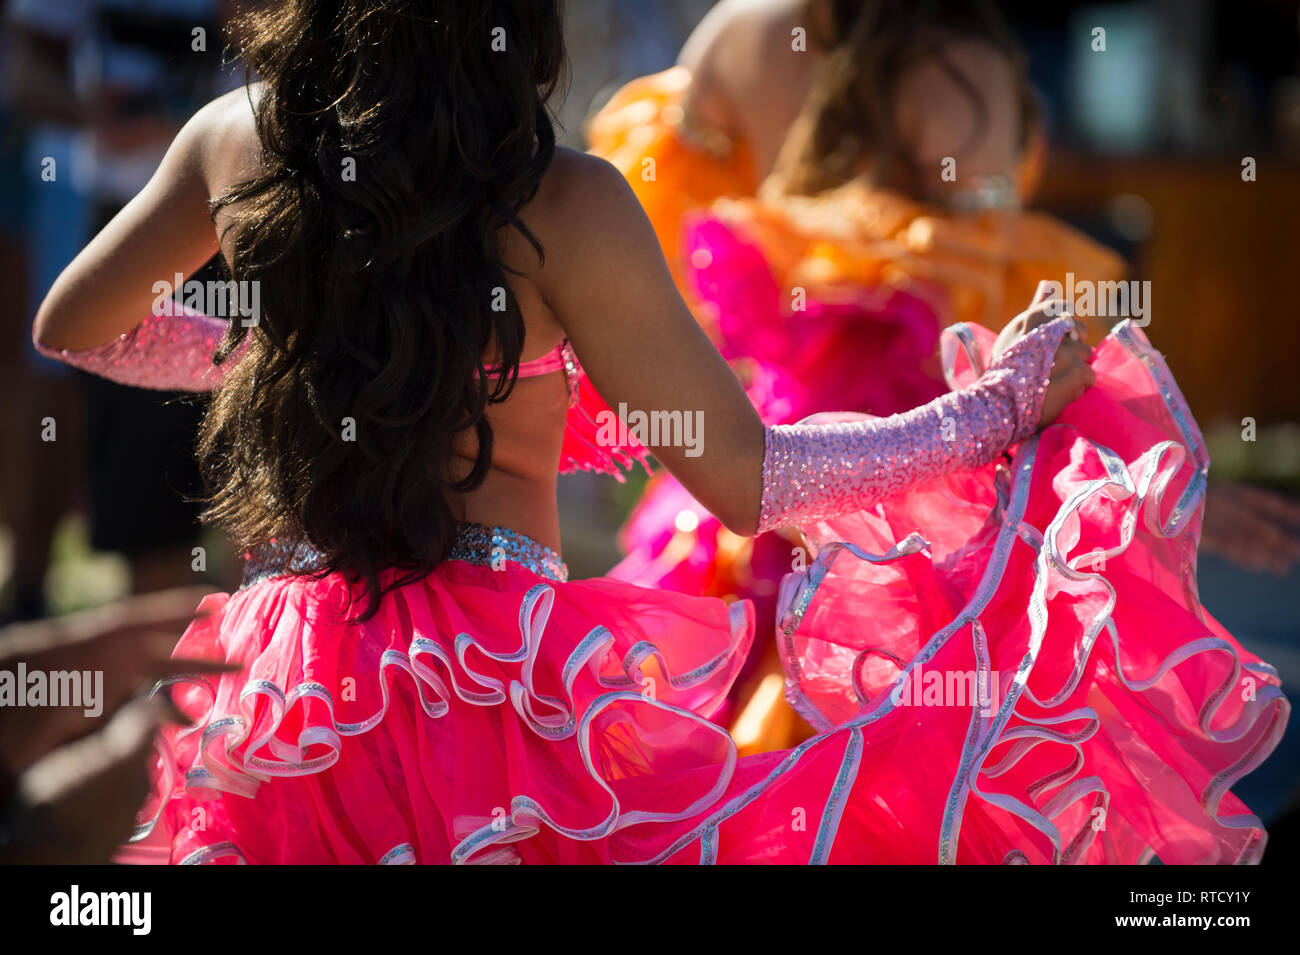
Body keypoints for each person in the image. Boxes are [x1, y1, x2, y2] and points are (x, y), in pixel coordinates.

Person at [32, 0, 1284, 864]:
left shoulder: (230, 140)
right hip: (501, 694)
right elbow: (754, 477)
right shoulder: (565, 198)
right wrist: (996, 410)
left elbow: (76, 326)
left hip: (297, 674)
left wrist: (290, 353)